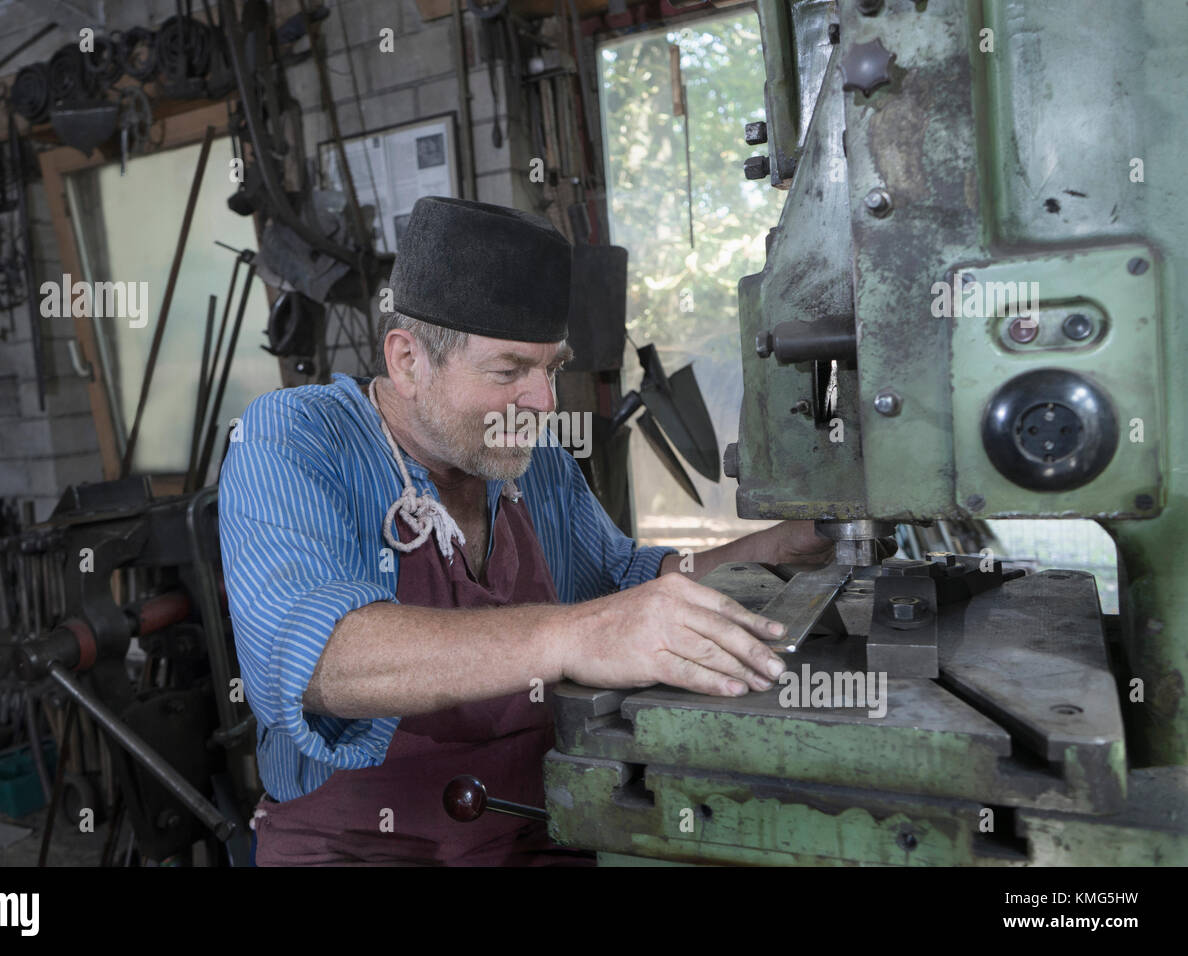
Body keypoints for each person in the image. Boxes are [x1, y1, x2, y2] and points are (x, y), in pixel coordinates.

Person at [218, 196, 835, 866]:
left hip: (541, 828)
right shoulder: (295, 438)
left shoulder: (534, 465)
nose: (544, 402)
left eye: (552, 368)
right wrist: (575, 633)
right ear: (407, 362)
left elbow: (635, 583)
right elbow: (315, 658)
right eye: (510, 371)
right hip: (361, 846)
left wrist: (776, 548)